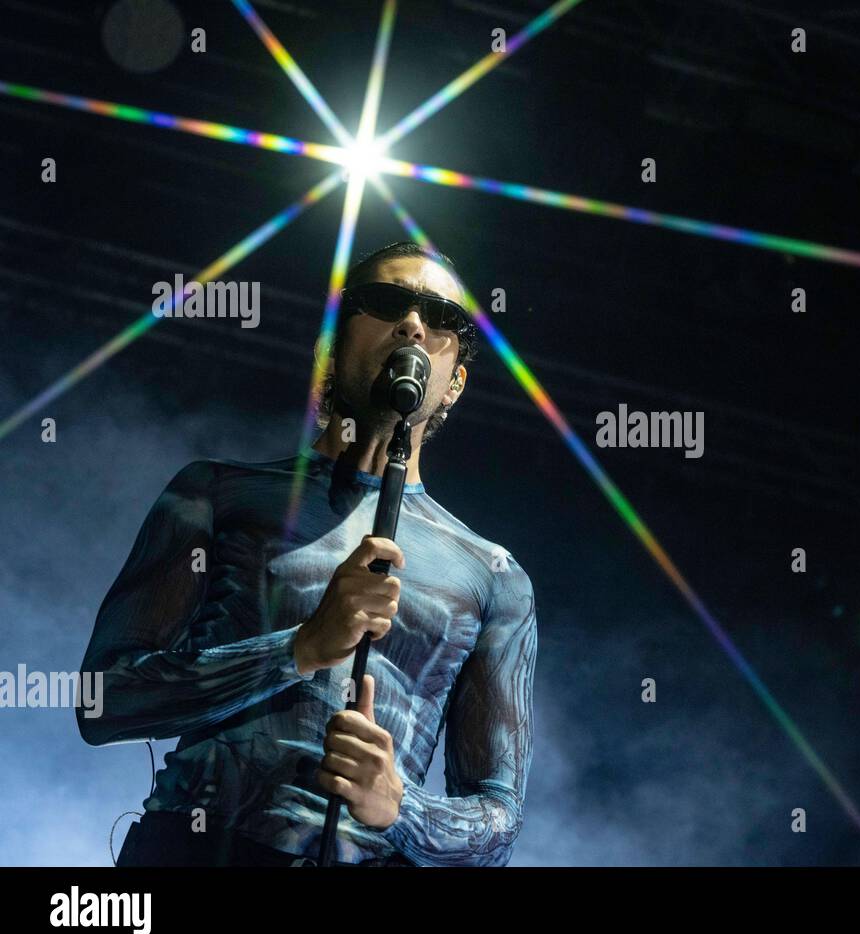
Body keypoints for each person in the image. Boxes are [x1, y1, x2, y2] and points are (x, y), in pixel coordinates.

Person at [77, 241, 538, 866]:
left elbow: (499, 818)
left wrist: (401, 808)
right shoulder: (214, 493)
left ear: (455, 381)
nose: (412, 324)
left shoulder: (493, 577)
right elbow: (102, 699)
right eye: (385, 302)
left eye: (441, 319)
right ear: (329, 346)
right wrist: (296, 650)